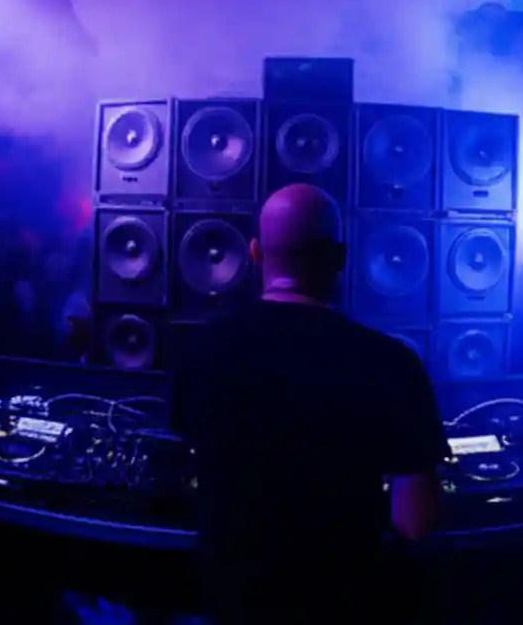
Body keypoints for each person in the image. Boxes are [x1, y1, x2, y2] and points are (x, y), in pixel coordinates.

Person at [172, 184, 448, 624]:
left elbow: (189, 462)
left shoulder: (202, 350)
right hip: (343, 601)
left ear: (256, 252)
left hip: (233, 598)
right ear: (340, 259)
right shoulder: (391, 363)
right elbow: (415, 521)